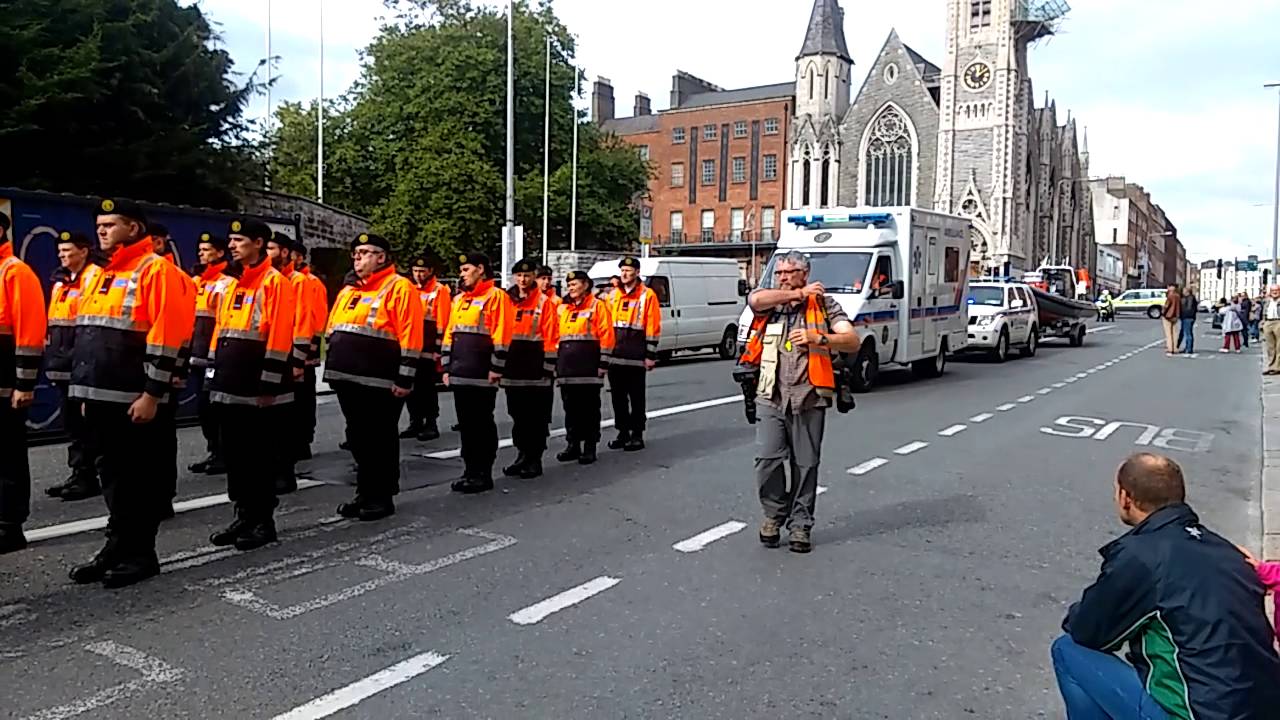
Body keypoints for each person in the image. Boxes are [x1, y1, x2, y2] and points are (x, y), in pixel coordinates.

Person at [1052, 452, 1280, 719]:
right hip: (1264, 709)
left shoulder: (1142, 557)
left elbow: (1087, 630)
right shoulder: (1228, 550)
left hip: (1202, 714)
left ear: (1126, 498)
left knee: (1068, 650)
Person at [69, 198, 190, 587]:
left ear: (134, 229)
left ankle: (141, 553)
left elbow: (166, 336)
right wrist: (85, 393)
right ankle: (116, 546)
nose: (102, 230)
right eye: (99, 225)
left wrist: (152, 394)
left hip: (135, 397)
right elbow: (88, 336)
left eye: (111, 224)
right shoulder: (95, 275)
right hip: (100, 396)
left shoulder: (156, 271)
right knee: (112, 476)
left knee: (138, 478)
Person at [739, 251, 858, 553]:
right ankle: (774, 513)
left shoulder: (825, 305)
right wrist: (796, 293)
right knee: (766, 460)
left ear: (805, 272)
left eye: (789, 272)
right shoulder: (771, 305)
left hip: (808, 396)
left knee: (805, 465)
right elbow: (754, 300)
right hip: (770, 395)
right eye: (779, 273)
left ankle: (800, 524)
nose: (783, 277)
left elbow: (852, 339)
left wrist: (820, 339)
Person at [206, 219, 296, 551]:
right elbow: (223, 331)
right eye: (230, 239)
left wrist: (268, 385)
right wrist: (214, 374)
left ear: (258, 243)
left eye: (239, 240)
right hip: (231, 381)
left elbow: (280, 335)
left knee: (258, 457)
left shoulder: (275, 283)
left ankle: (262, 521)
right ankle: (243, 514)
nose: (231, 245)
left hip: (259, 386)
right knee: (236, 456)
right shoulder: (231, 283)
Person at [324, 233, 423, 519]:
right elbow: (333, 329)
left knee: (378, 439)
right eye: (355, 253)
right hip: (347, 378)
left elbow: (411, 336)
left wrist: (405, 378)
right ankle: (364, 492)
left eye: (365, 252)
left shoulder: (399, 287)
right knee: (358, 438)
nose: (358, 258)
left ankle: (381, 495)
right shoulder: (349, 290)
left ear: (381, 257)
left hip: (380, 380)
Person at [441, 252, 512, 494]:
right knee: (467, 424)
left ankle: (483, 472)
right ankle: (470, 470)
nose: (462, 274)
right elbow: (451, 333)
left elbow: (501, 335)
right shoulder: (459, 299)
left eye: (466, 269)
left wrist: (496, 367)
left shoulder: (496, 297)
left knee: (481, 422)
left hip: (482, 371)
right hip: (461, 370)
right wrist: (446, 366)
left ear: (480, 269)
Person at [44, 230, 103, 502]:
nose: (63, 256)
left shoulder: (93, 279)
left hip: (81, 365)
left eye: (68, 251)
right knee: (72, 424)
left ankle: (87, 475)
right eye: (60, 252)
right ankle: (79, 472)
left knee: (85, 424)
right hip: (61, 364)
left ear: (84, 251)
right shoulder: (59, 284)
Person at [0, 211, 46, 553]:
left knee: (8, 455)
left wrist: (25, 384)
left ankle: (9, 525)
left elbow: (29, 333)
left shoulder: (15, 271)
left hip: (6, 384)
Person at [501, 258, 559, 479]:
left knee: (536, 416)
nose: (523, 280)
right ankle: (521, 454)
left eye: (527, 276)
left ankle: (534, 458)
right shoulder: (507, 300)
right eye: (519, 276)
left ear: (534, 276)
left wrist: (547, 368)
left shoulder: (544, 303)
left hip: (536, 367)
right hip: (513, 367)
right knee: (517, 415)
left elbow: (552, 338)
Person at [554, 270, 614, 465]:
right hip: (567, 367)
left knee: (589, 408)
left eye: (575, 284)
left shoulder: (597, 306)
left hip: (589, 366)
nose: (571, 288)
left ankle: (589, 446)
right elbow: (555, 336)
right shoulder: (562, 308)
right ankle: (573, 444)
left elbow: (606, 335)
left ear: (586, 285)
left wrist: (603, 363)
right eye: (569, 285)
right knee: (570, 408)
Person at [264, 232, 306, 494]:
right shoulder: (268, 280)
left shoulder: (297, 282)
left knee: (284, 420)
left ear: (285, 252)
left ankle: (285, 471)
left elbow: (302, 321)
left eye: (271, 247)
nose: (267, 252)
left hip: (287, 356)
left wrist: (300, 359)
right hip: (266, 357)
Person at [187, 232, 232, 475]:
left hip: (214, 354)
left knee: (213, 406)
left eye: (207, 250)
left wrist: (215, 353)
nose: (201, 254)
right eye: (200, 250)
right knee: (203, 409)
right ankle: (214, 450)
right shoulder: (197, 282)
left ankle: (223, 452)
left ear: (219, 253)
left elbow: (224, 322)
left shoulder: (226, 283)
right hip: (197, 353)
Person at [605, 256, 661, 452]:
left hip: (636, 354)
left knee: (636, 397)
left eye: (628, 271)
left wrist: (650, 355)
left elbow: (653, 326)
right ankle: (622, 432)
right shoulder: (612, 295)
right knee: (617, 398)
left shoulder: (648, 295)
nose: (625, 274)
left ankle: (637, 434)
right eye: (622, 271)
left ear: (637, 272)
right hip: (615, 354)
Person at [402, 255, 451, 442]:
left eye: (422, 271)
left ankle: (431, 423)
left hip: (429, 347)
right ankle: (415, 422)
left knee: (426, 388)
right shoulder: (409, 289)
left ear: (430, 271)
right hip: (411, 345)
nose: (418, 274)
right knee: (410, 386)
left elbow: (443, 321)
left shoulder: (440, 291)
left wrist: (439, 349)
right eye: (415, 271)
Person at [289, 240, 328, 461]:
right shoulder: (286, 280)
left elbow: (317, 317)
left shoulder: (311, 283)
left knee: (303, 399)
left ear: (301, 258)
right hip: (289, 348)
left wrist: (310, 348)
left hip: (305, 349)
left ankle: (304, 440)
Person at [1160, 284, 1181, 356]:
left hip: (1168, 316)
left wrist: (1162, 312)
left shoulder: (1170, 296)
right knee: (1174, 333)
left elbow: (1166, 306)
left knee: (1168, 333)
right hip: (1175, 316)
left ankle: (1170, 348)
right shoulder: (1178, 296)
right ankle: (1175, 348)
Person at [1264, 286, 1280, 375]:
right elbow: (1264, 311)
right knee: (1270, 347)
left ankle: (1276, 367)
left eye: (1276, 290)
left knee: (1279, 346)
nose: (1274, 292)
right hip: (1268, 322)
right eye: (1273, 290)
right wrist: (1263, 322)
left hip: (1278, 322)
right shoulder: (1267, 301)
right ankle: (1271, 366)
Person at [1177, 285, 1197, 355]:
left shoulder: (1189, 298)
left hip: (1187, 317)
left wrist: (1181, 313)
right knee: (1185, 332)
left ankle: (1189, 349)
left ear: (1187, 292)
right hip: (1189, 317)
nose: (1182, 292)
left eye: (1184, 291)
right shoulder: (1189, 298)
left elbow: (1188, 308)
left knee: (1188, 333)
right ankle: (1187, 347)